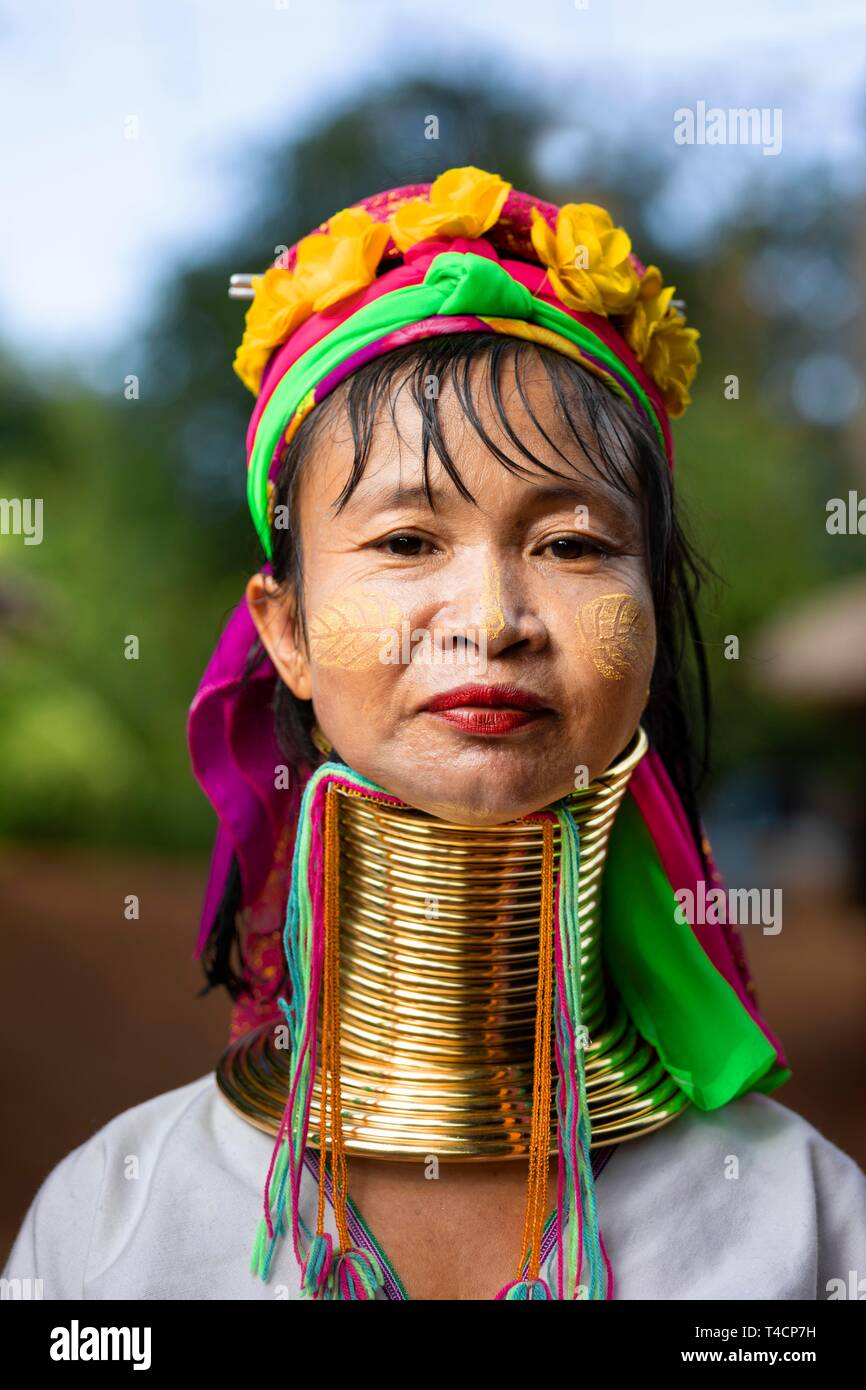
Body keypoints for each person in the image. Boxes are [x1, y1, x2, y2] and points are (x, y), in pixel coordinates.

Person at [4, 167, 865, 1301]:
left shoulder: (806, 1230)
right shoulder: (112, 1224)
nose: (493, 620)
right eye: (407, 541)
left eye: (569, 545)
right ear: (287, 634)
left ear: (652, 618)